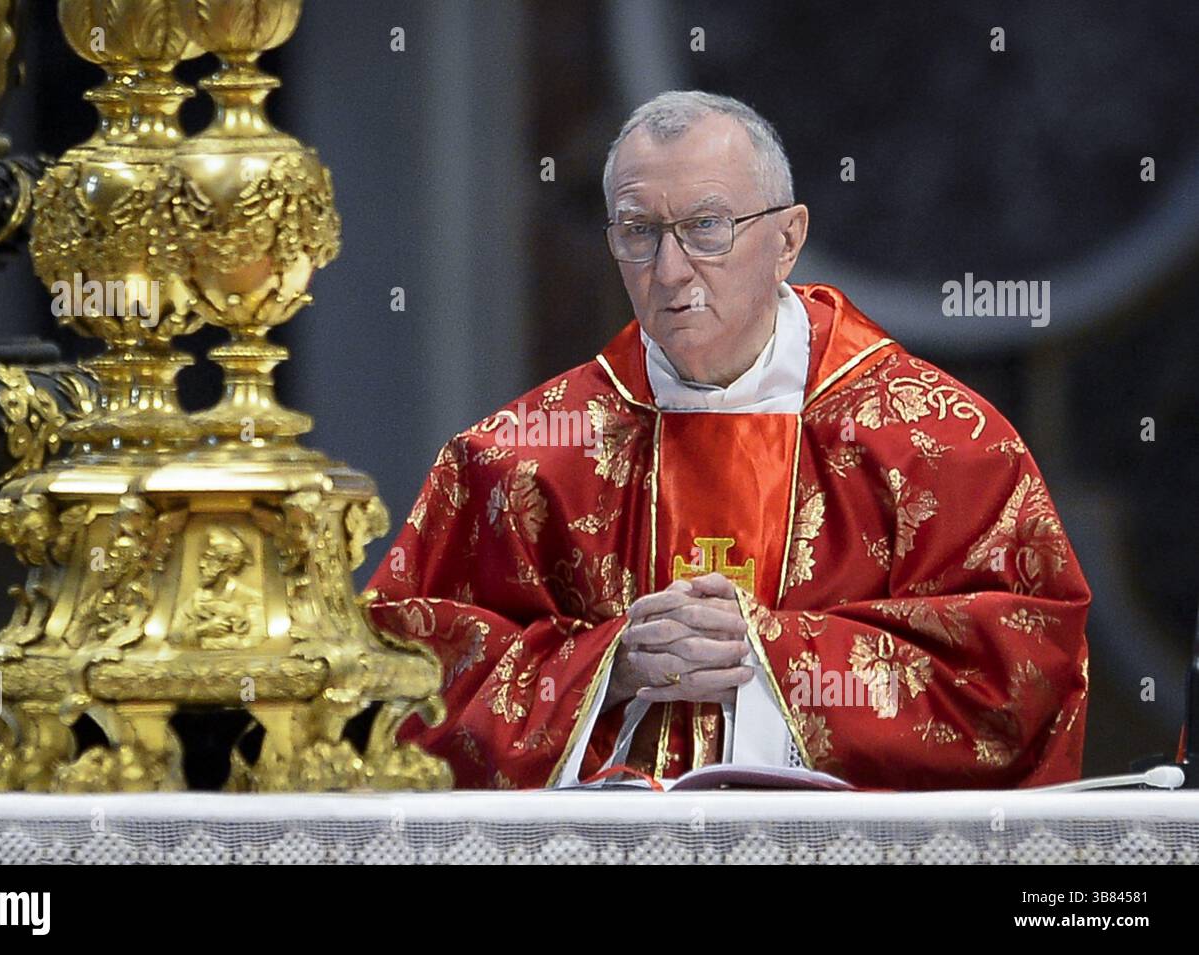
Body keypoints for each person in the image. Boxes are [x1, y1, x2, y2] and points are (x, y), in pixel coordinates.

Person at [368, 90, 1090, 790]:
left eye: (707, 226)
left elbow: (1018, 677)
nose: (671, 270)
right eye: (639, 231)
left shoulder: (936, 445)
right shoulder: (520, 460)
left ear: (788, 238)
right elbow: (394, 685)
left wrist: (771, 653)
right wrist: (603, 668)